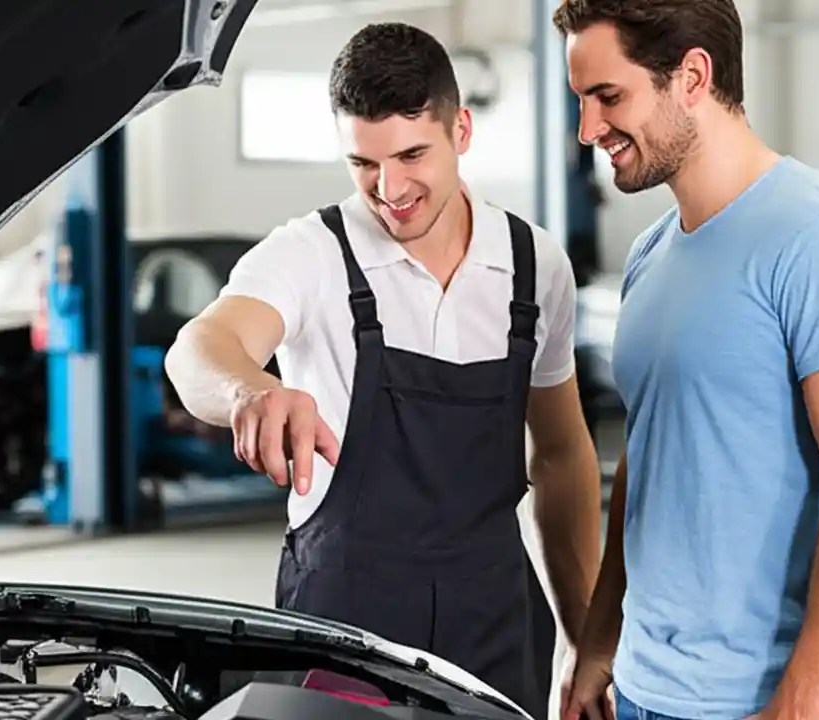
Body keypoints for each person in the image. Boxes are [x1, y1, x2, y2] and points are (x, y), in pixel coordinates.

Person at [164, 22, 603, 717]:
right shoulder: (312, 253)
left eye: (411, 154)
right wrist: (251, 389)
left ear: (461, 130)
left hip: (495, 617)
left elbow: (562, 451)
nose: (389, 188)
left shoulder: (533, 264)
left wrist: (584, 637)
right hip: (346, 621)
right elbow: (198, 348)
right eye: (363, 163)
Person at [550, 2, 819, 720]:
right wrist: (600, 639)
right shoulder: (651, 253)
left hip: (764, 702)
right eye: (581, 101)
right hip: (645, 688)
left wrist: (798, 710)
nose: (588, 130)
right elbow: (652, 451)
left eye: (609, 97)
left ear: (692, 75)